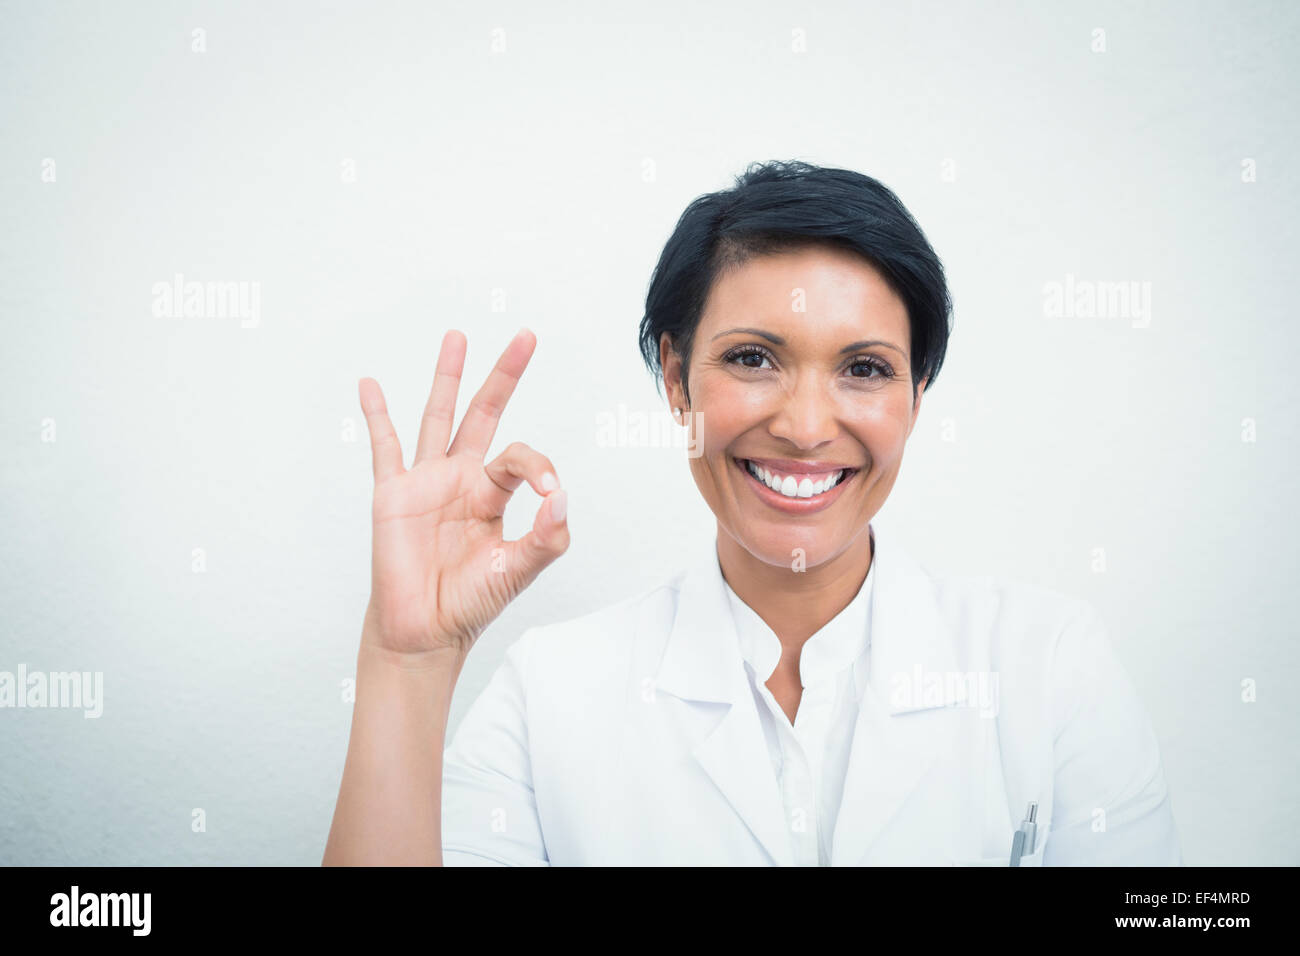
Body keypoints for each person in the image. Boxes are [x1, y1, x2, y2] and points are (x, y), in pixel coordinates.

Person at [322, 160, 1181, 866]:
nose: (807, 427)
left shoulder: (1051, 669)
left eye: (866, 369)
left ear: (918, 395)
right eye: (753, 358)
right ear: (673, 377)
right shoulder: (548, 697)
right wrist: (408, 664)